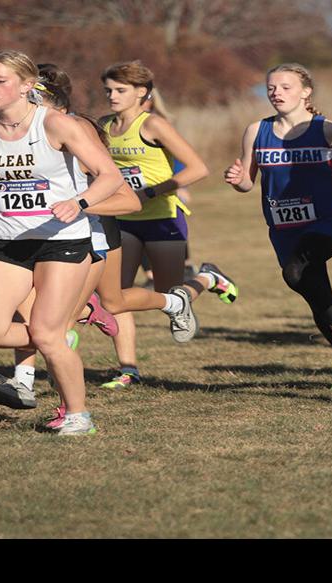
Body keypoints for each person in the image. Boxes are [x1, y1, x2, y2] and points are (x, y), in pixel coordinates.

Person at [0, 51, 128, 434]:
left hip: (61, 242)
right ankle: (58, 339)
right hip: (7, 243)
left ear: (27, 85)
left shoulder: (57, 124)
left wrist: (79, 202)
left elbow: (109, 175)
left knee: (45, 333)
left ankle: (78, 416)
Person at [223, 63, 332, 390]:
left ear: (306, 92)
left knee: (296, 273)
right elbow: (249, 181)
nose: (276, 92)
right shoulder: (256, 130)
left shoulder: (325, 129)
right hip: (282, 229)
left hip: (328, 222)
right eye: (271, 87)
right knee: (315, 293)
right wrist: (237, 181)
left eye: (286, 87)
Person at [99, 60, 240, 390]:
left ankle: (208, 277)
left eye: (120, 90)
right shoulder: (103, 126)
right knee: (113, 297)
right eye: (108, 90)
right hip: (122, 222)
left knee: (168, 294)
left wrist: (151, 192)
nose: (112, 96)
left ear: (142, 93)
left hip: (162, 218)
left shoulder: (154, 126)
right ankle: (128, 368)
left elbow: (196, 168)